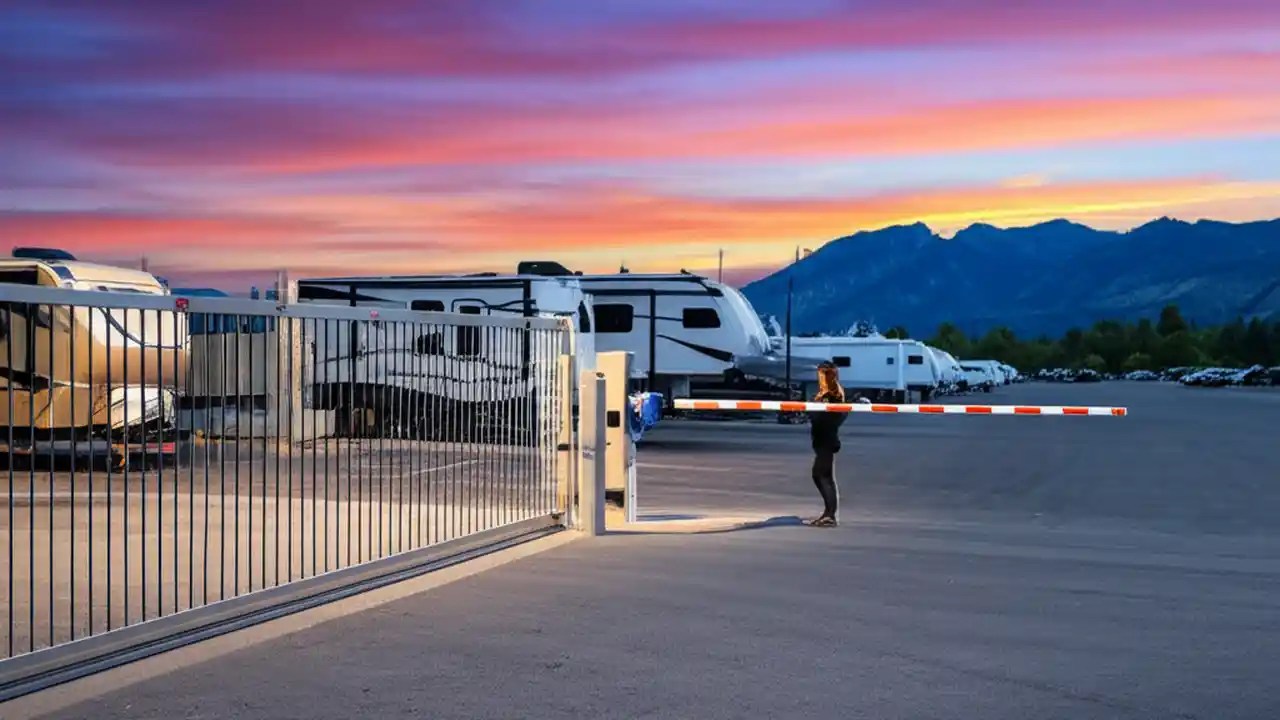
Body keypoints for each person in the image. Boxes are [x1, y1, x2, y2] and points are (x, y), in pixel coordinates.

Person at [807, 361, 848, 527]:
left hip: (826, 439)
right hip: (824, 439)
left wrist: (812, 412)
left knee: (821, 475)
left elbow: (829, 417)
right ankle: (828, 513)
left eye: (821, 374)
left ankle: (830, 515)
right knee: (824, 476)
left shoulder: (832, 395)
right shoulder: (830, 393)